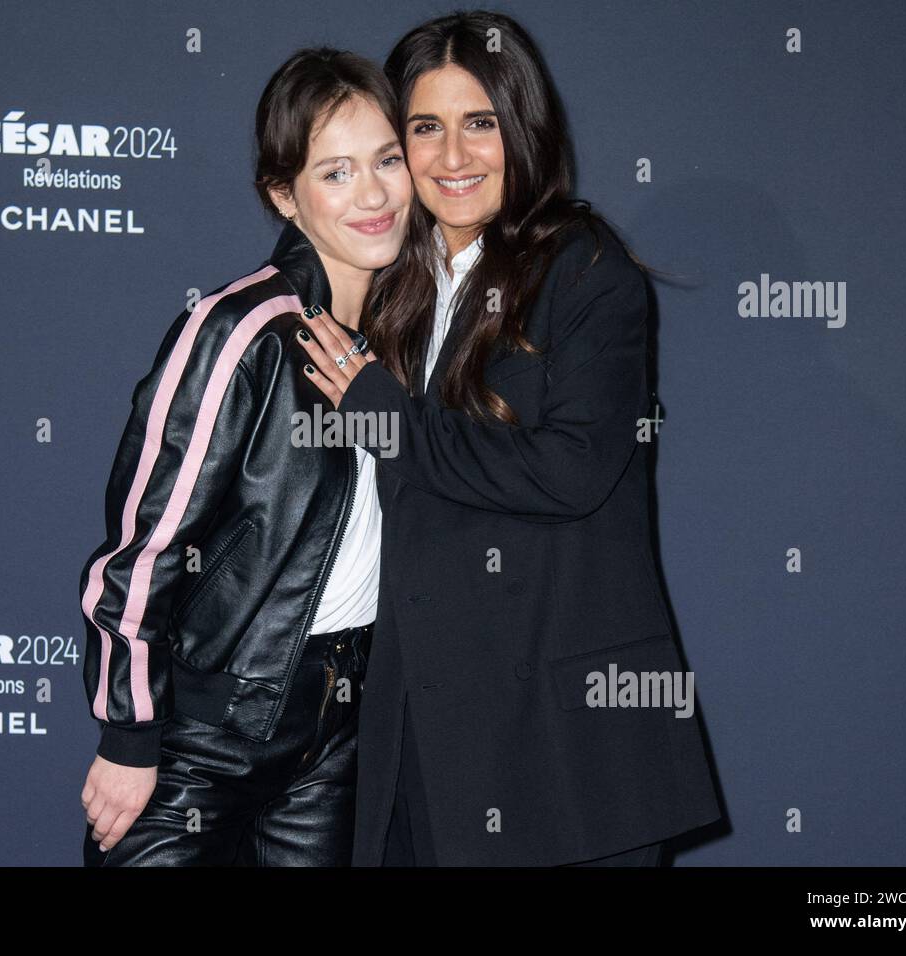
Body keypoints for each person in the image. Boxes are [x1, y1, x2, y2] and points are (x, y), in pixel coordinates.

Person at [298, 10, 722, 866]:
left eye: (479, 123)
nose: (453, 157)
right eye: (426, 128)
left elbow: (572, 471)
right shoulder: (392, 294)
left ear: (522, 128)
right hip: (425, 738)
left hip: (563, 751)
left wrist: (389, 414)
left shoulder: (585, 267)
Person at [78, 47, 412, 865]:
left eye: (388, 160)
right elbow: (141, 546)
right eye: (335, 173)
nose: (372, 195)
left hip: (336, 742)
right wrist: (129, 733)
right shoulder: (242, 330)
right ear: (284, 195)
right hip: (205, 739)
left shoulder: (414, 338)